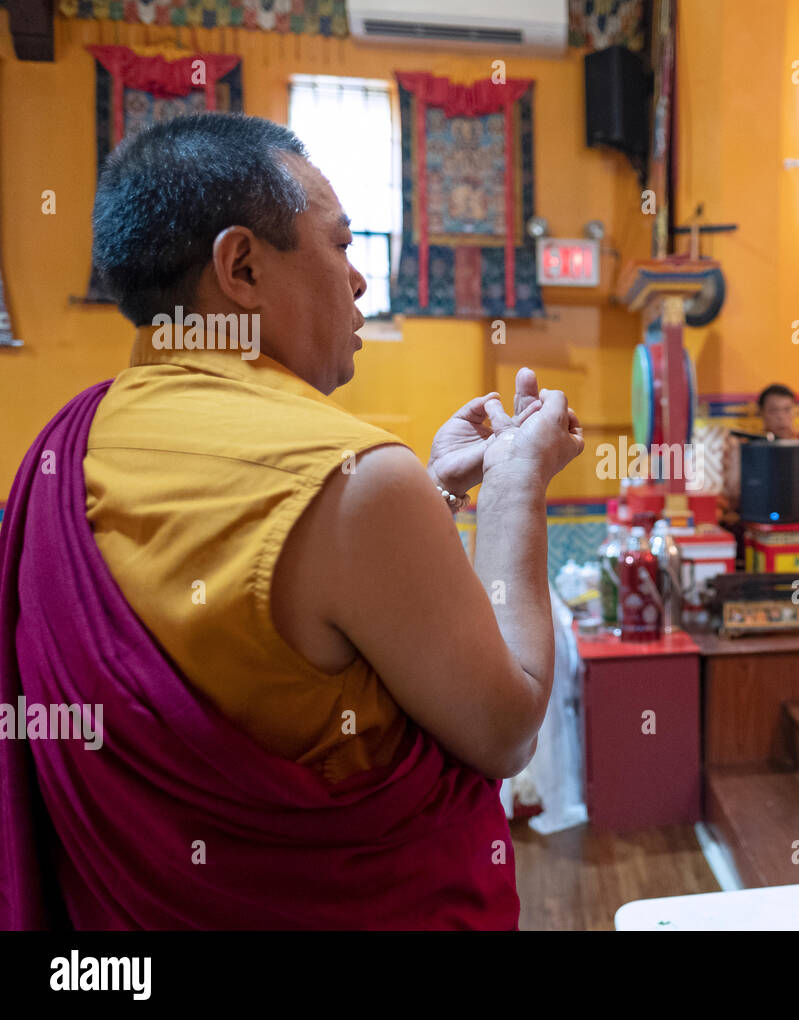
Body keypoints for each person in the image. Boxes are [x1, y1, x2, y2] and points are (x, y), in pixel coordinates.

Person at [0, 114, 584, 930]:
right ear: (240, 266)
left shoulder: (67, 450)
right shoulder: (357, 476)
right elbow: (507, 725)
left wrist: (435, 496)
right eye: (341, 246)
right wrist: (517, 486)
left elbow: (305, 625)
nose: (359, 283)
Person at [722, 383, 799, 515]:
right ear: (762, 413)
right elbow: (734, 495)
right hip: (759, 515)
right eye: (774, 411)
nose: (781, 417)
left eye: (787, 409)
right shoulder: (749, 447)